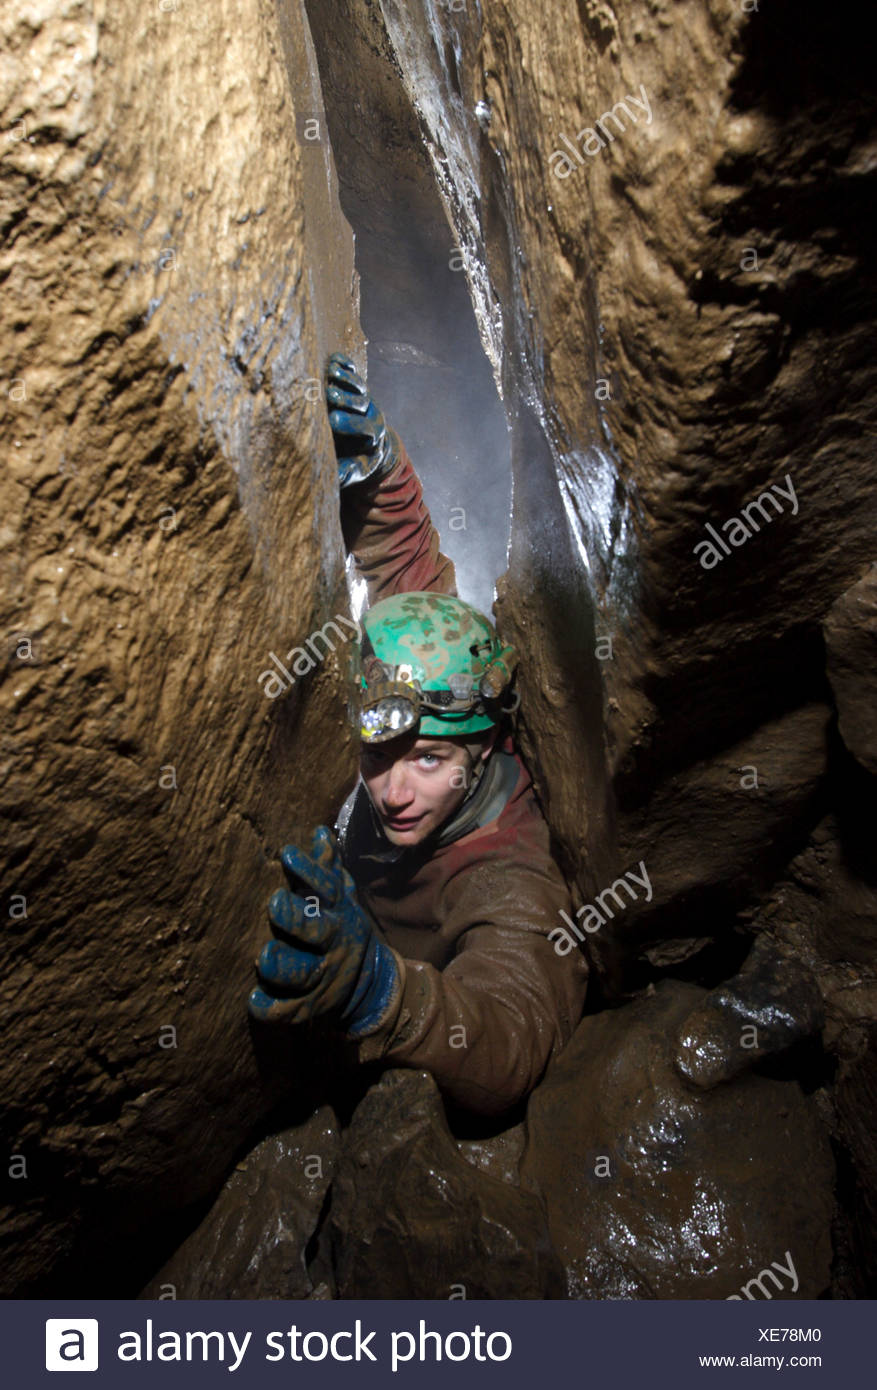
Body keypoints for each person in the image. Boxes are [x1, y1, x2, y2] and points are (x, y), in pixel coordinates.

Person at [247, 354, 588, 1115]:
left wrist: (381, 994)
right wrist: (380, 475)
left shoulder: (510, 870)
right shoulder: (438, 680)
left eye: (429, 759)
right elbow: (412, 585)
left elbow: (513, 1036)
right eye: (376, 755)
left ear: (483, 747)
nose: (392, 792)